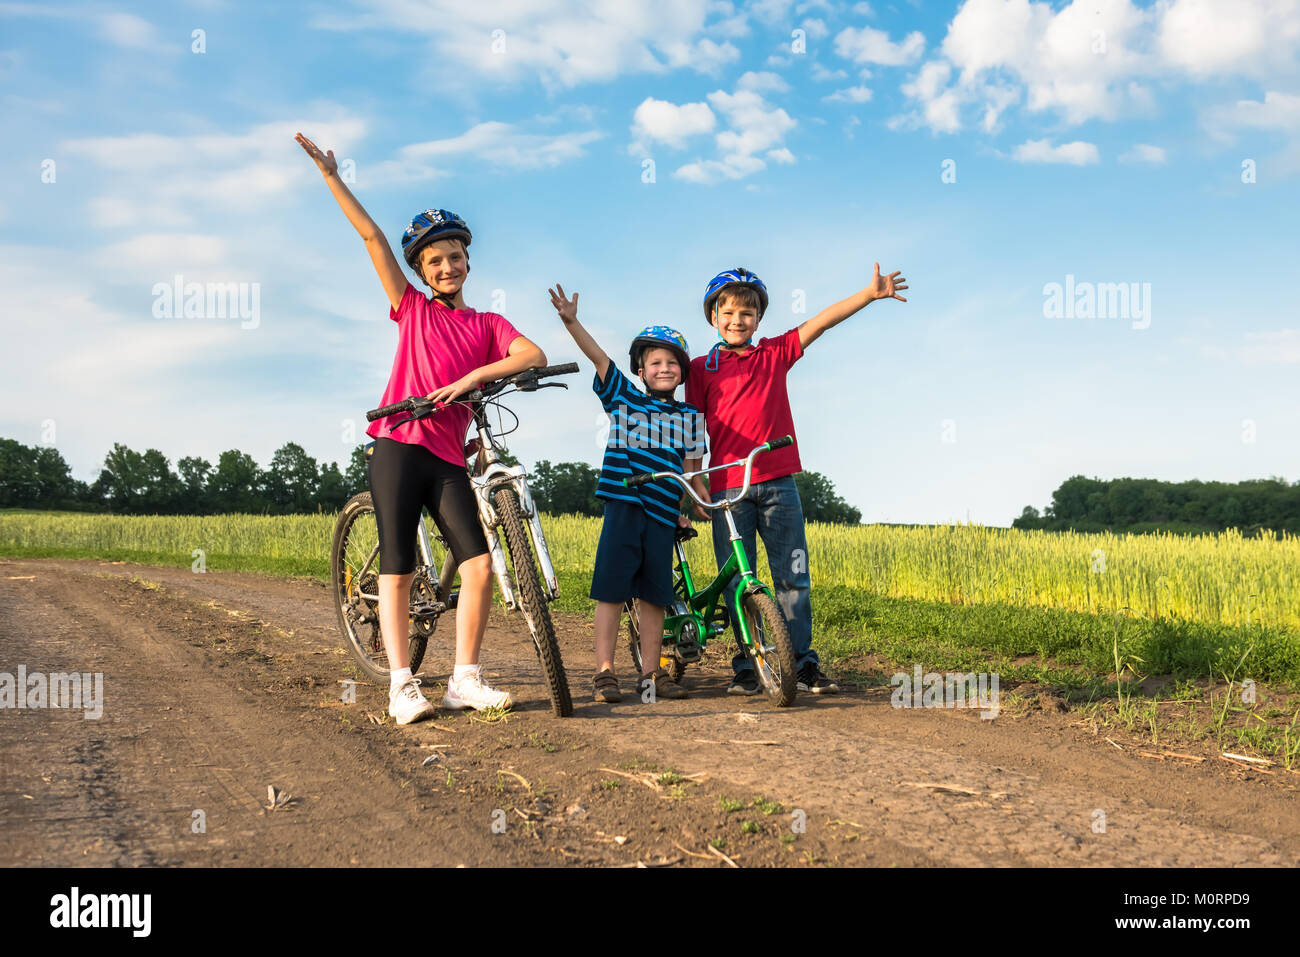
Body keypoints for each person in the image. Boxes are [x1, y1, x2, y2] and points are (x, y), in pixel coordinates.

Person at [296, 132, 548, 724]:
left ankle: (464, 678)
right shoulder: (412, 308)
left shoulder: (487, 322)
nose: (446, 266)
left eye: (455, 256)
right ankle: (402, 685)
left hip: (448, 457)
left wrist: (474, 377)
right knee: (400, 566)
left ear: (468, 261)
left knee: (479, 564)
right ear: (420, 270)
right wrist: (333, 175)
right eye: (434, 260)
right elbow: (372, 238)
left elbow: (531, 354)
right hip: (399, 447)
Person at [686, 264, 908, 696]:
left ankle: (803, 665)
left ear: (759, 320)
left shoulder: (773, 354)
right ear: (713, 316)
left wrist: (867, 294)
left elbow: (820, 322)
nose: (737, 321)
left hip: (778, 482)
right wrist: (696, 481)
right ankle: (748, 665)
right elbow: (695, 428)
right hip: (727, 488)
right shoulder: (701, 368)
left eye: (747, 314)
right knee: (737, 580)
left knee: (792, 576)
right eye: (728, 312)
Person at [548, 283, 704, 704]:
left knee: (654, 595)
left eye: (673, 363)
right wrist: (571, 321)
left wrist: (689, 508)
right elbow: (599, 358)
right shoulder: (625, 399)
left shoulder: (691, 416)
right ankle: (604, 672)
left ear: (682, 372)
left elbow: (691, 471)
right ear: (641, 370)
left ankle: (651, 674)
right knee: (612, 590)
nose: (665, 368)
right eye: (656, 362)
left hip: (662, 513)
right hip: (624, 504)